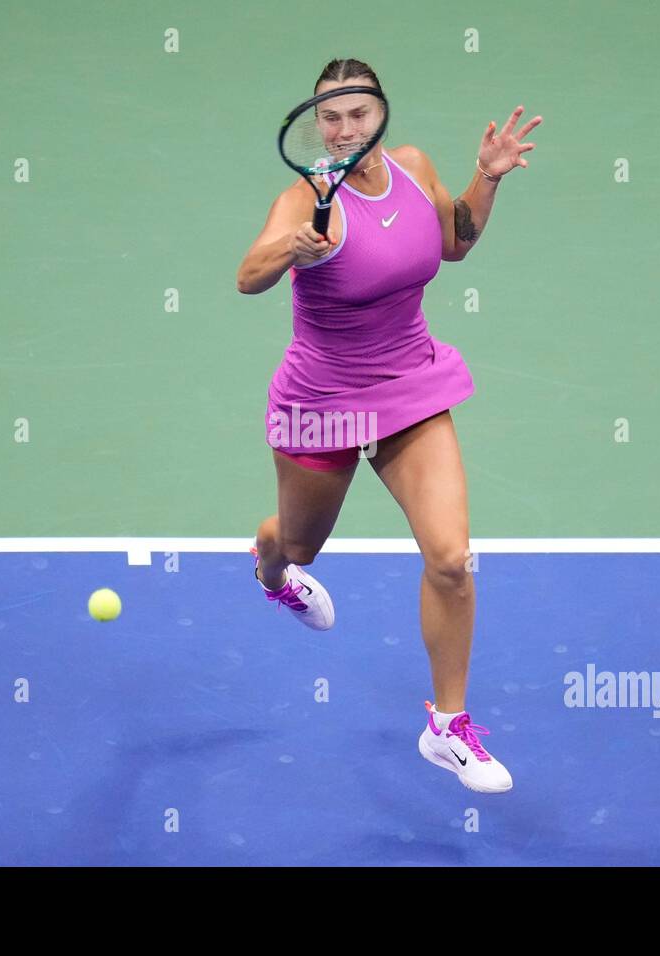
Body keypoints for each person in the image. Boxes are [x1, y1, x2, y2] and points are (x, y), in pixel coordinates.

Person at [235, 57, 541, 794]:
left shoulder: (412, 168)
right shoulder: (306, 199)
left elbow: (455, 241)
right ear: (316, 123)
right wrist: (291, 250)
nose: (344, 130)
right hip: (320, 402)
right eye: (330, 117)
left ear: (382, 114)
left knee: (450, 557)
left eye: (358, 114)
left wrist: (488, 175)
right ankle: (273, 568)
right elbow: (249, 274)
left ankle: (447, 727)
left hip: (409, 384)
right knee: (298, 540)